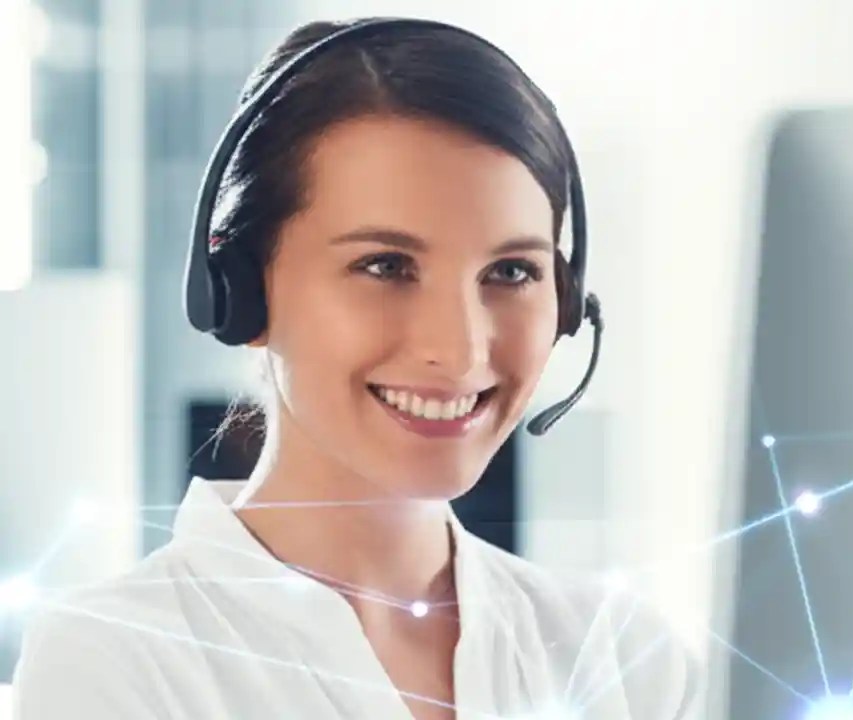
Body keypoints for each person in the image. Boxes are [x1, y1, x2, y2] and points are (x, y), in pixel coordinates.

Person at [12, 17, 700, 720]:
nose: (459, 350)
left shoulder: (622, 659)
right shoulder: (115, 661)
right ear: (240, 290)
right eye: (385, 266)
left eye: (510, 271)